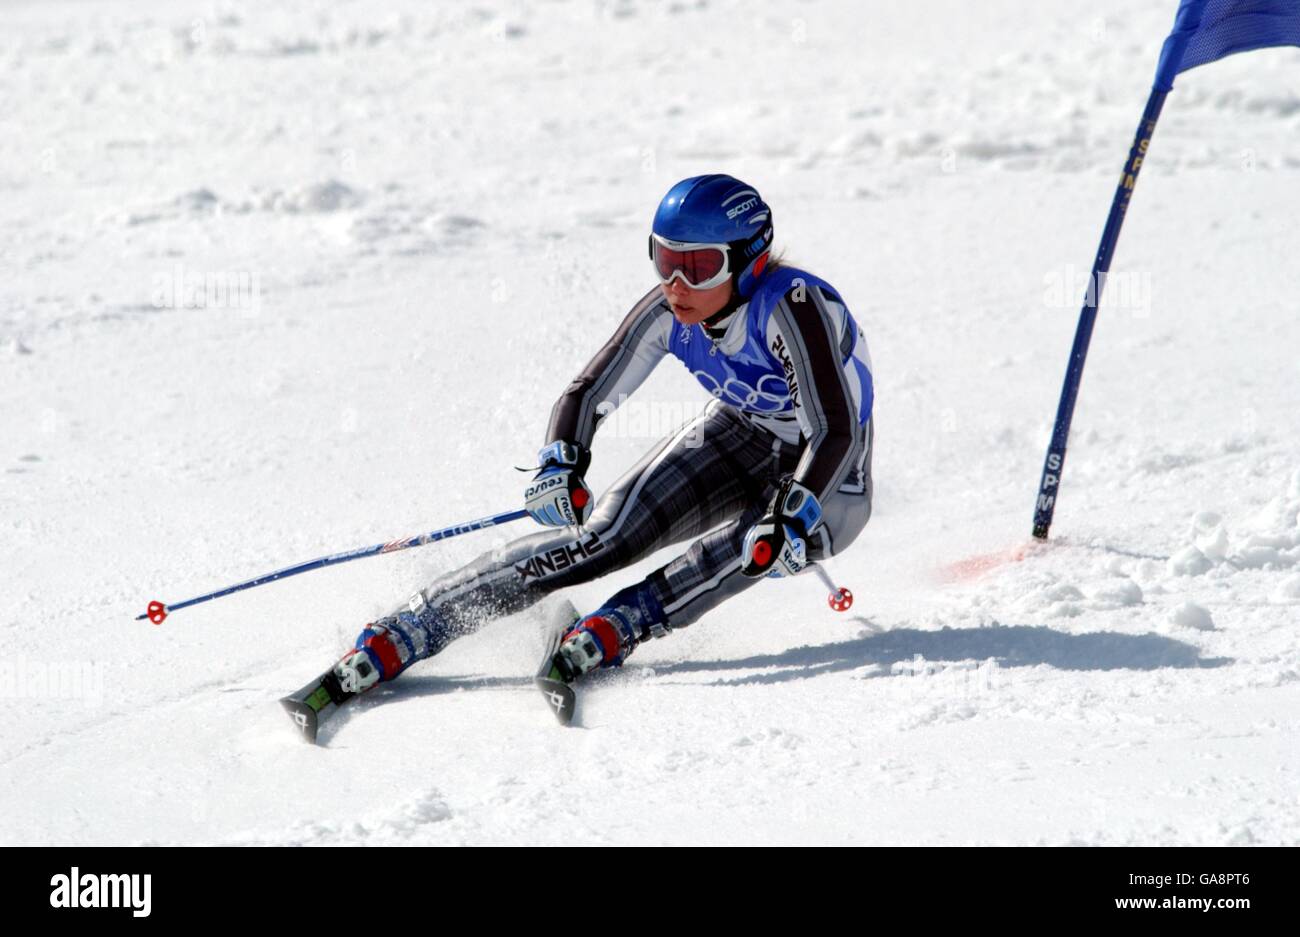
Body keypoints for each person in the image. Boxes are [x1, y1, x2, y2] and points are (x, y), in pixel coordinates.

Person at [328, 174, 874, 706]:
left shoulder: (790, 306)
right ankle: (417, 625)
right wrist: (560, 461)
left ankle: (626, 623)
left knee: (757, 545)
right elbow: (588, 392)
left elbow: (835, 428)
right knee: (606, 536)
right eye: (665, 261)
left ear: (749, 261)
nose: (677, 285)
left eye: (700, 267)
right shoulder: (668, 312)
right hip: (741, 431)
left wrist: (793, 516)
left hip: (831, 467)